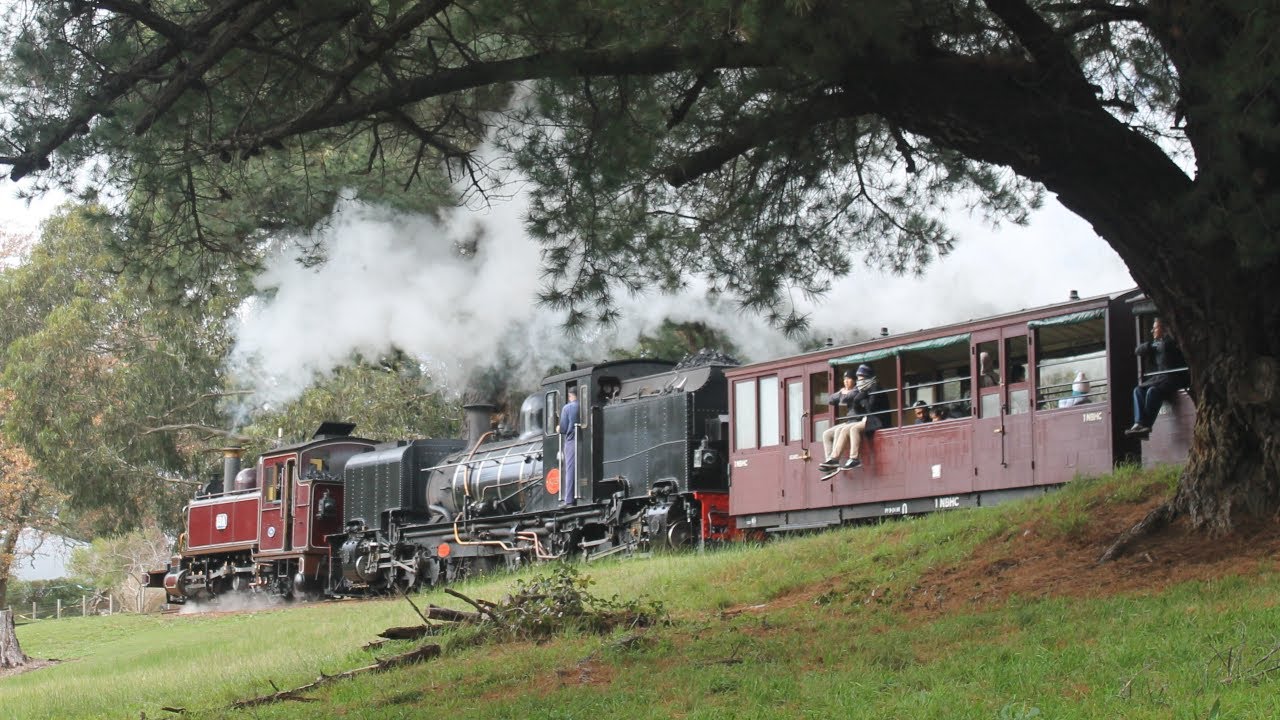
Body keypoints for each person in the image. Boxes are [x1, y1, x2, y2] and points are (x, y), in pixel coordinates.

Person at [1126, 317, 1186, 438]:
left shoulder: (1171, 341)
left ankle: (1146, 425)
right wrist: (1151, 345)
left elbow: (1167, 347)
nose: (1152, 331)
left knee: (1152, 392)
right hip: (1161, 378)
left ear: (1164, 329)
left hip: (1173, 377)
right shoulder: (1156, 344)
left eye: (1155, 328)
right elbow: (1138, 350)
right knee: (1138, 390)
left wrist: (1158, 344)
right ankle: (1139, 423)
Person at [820, 364, 886, 470]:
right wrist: (856, 397)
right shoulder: (864, 388)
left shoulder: (874, 387)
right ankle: (833, 459)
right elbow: (832, 399)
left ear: (868, 377)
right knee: (835, 431)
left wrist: (860, 398)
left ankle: (853, 459)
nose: (860, 381)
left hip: (876, 420)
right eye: (859, 378)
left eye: (862, 378)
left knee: (852, 428)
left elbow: (871, 407)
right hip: (867, 419)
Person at [559, 387, 580, 504]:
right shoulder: (584, 406)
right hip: (585, 440)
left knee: (570, 468)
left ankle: (569, 499)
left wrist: (558, 428)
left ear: (569, 395)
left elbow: (562, 428)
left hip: (572, 441)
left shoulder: (567, 408)